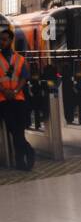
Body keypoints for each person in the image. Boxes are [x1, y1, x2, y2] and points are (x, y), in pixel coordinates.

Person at [0, 25, 35, 171]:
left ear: (11, 41)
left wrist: (14, 91)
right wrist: (5, 91)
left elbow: (24, 78)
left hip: (18, 99)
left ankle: (20, 161)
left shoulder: (20, 59)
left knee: (18, 131)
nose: (1, 42)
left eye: (4, 40)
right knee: (13, 129)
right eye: (0, 40)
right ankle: (29, 151)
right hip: (3, 100)